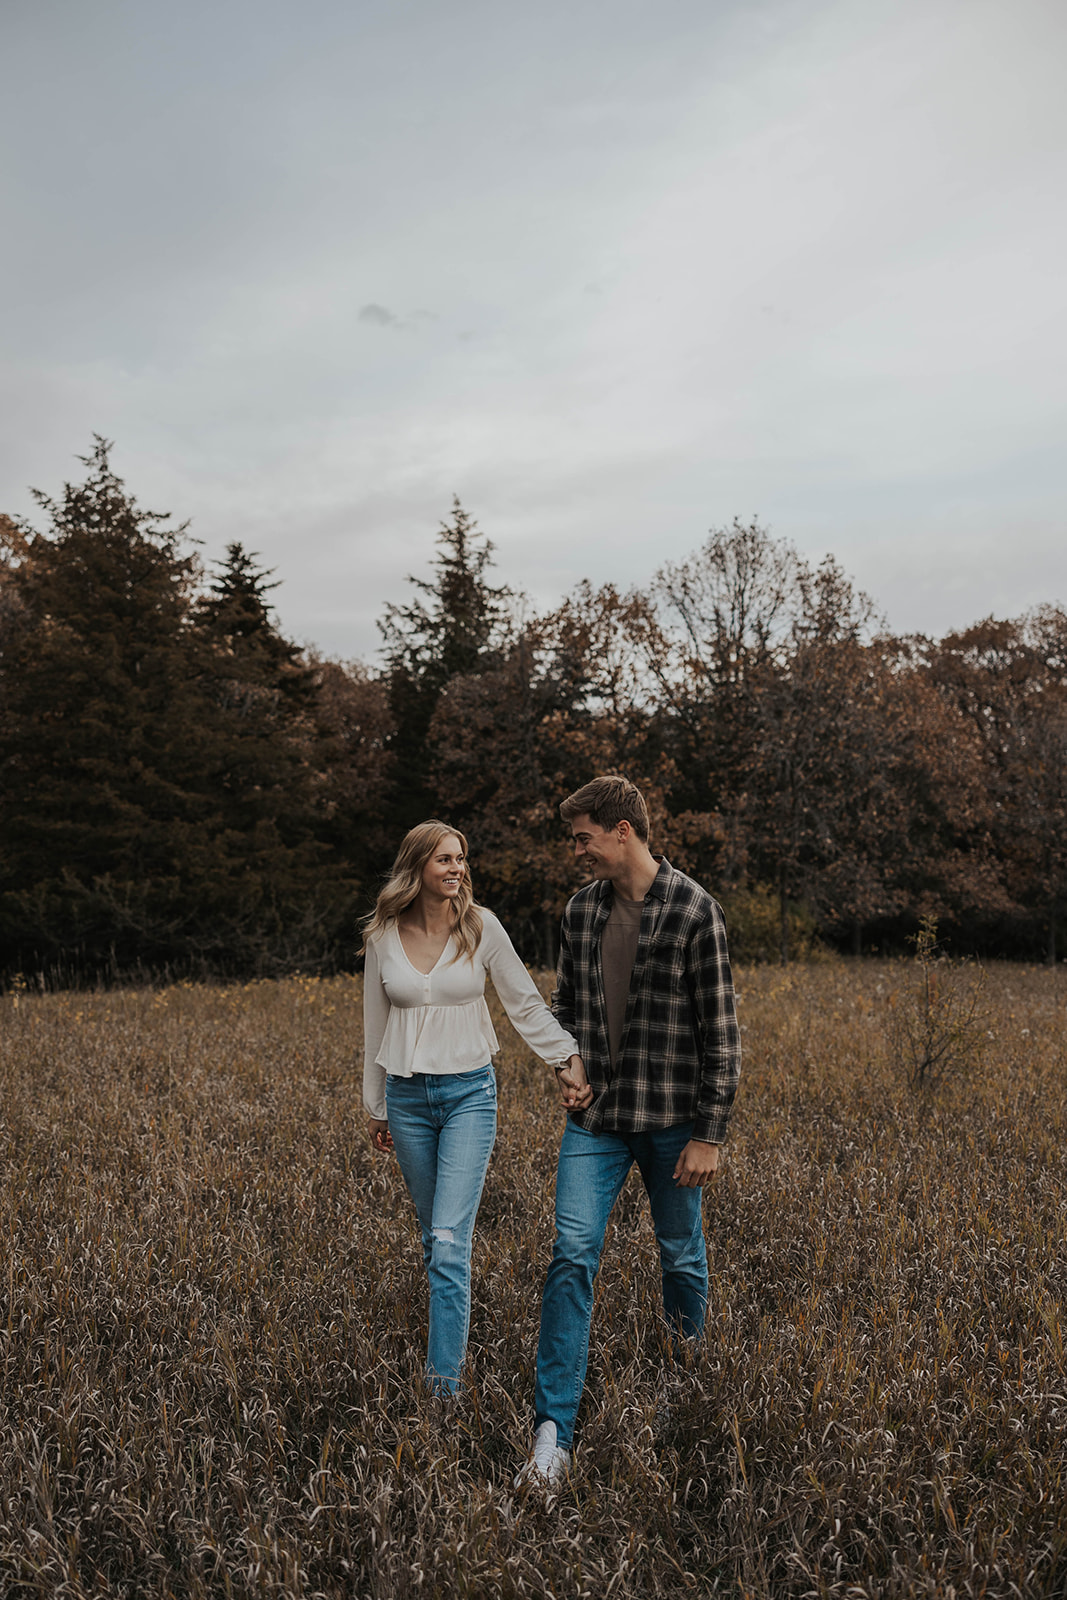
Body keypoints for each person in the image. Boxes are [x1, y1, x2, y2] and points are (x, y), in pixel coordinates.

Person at [516, 775, 741, 1486]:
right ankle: (552, 1434)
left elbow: (723, 1034)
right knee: (572, 1252)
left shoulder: (694, 910)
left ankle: (685, 1392)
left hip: (674, 1123)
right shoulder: (580, 911)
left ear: (622, 830)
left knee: (679, 1255)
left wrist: (710, 1133)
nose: (576, 851)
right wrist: (566, 1063)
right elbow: (566, 1004)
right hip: (597, 1122)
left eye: (582, 837)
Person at [363, 819, 591, 1398]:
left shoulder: (481, 926)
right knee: (432, 1237)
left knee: (446, 1240)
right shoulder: (384, 933)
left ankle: (443, 1394)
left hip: (469, 1095)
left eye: (461, 858)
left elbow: (524, 1003)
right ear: (417, 866)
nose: (457, 869)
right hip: (407, 1099)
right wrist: (376, 1107)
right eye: (444, 859)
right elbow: (374, 1026)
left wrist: (567, 1059)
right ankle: (452, 1334)